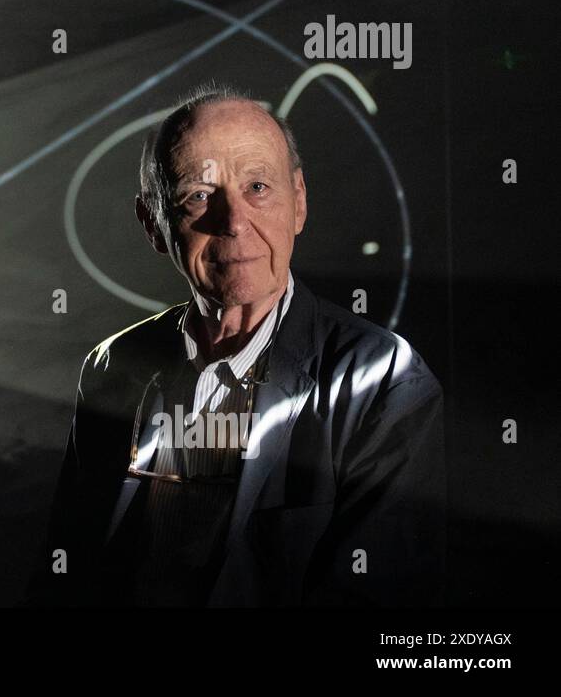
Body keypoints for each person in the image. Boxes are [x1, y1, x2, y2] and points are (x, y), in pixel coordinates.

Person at [26, 83, 446, 607]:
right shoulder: (114, 367)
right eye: (198, 196)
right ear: (154, 225)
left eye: (258, 187)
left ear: (299, 204)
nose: (233, 222)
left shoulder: (382, 383)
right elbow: (68, 570)